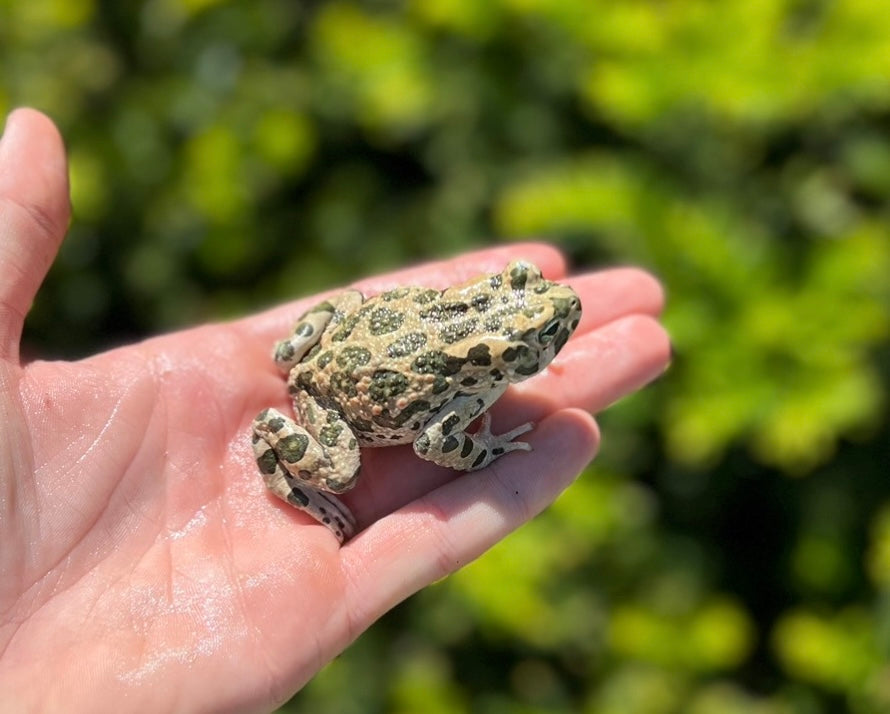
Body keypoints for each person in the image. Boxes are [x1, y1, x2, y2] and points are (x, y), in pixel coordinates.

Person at [0, 108, 670, 712]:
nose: (552, 313)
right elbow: (437, 441)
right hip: (337, 403)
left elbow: (426, 410)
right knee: (343, 470)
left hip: (345, 338)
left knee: (350, 323)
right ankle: (283, 467)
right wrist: (489, 447)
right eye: (532, 337)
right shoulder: (470, 382)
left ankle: (303, 369)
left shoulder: (480, 363)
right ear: (502, 352)